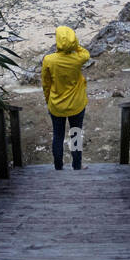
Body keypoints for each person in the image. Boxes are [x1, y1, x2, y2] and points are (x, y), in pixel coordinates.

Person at [41, 25, 90, 170]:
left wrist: (48, 101)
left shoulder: (49, 60)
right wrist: (74, 45)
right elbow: (86, 53)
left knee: (58, 136)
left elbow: (46, 84)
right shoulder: (78, 58)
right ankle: (77, 166)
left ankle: (58, 166)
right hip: (76, 105)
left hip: (56, 105)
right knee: (76, 134)